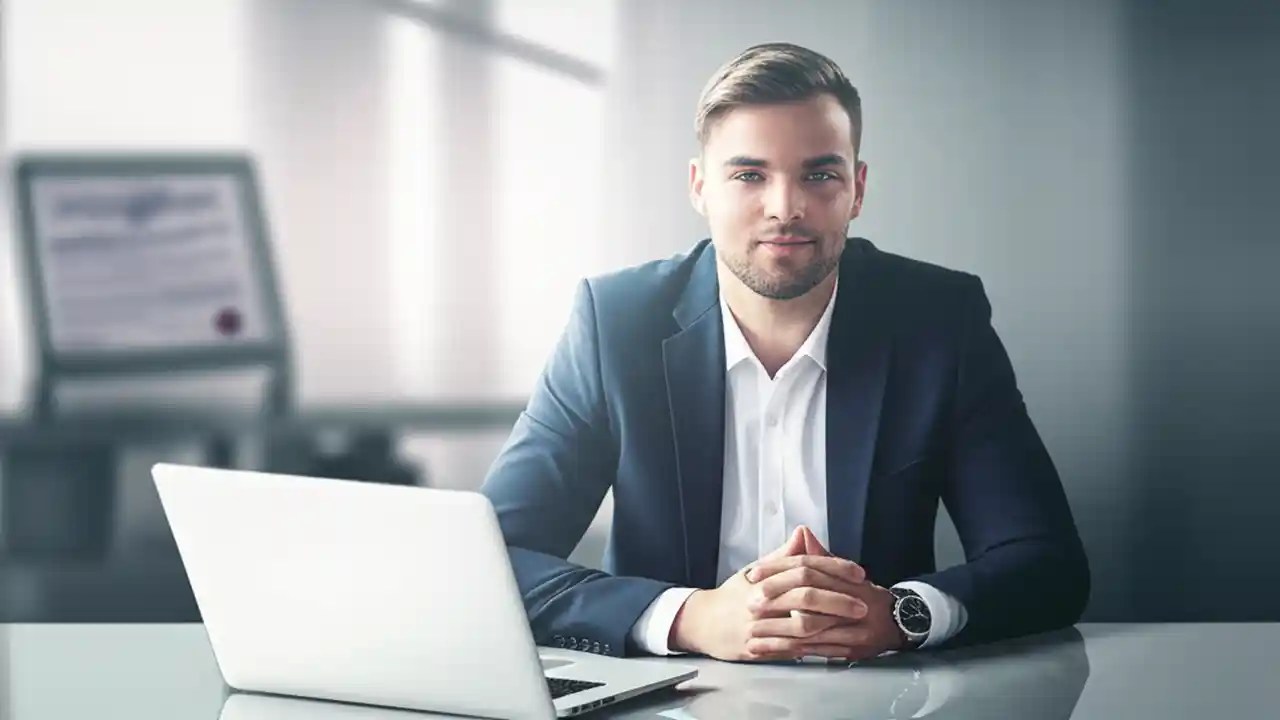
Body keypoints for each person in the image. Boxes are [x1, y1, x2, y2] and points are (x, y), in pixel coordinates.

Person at [480, 42, 1089, 663]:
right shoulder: (614, 324)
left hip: (884, 700)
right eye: (749, 175)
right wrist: (687, 617)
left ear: (857, 188)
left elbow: (1046, 562)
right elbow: (493, 561)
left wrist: (903, 613)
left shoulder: (937, 322)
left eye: (819, 175)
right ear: (700, 187)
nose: (785, 208)